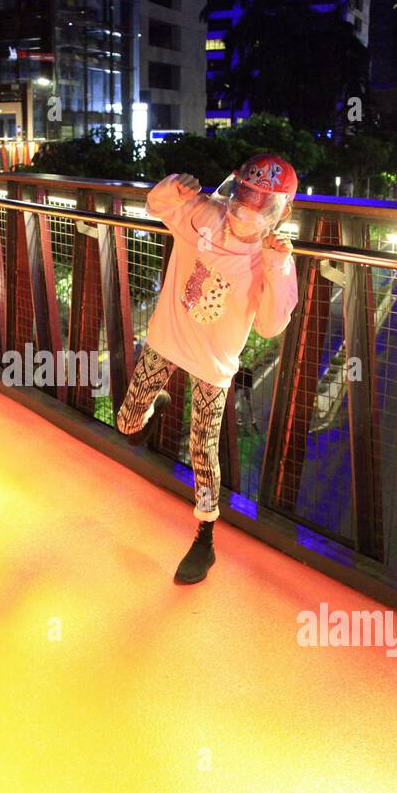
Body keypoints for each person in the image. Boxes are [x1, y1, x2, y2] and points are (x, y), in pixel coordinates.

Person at [115, 155, 300, 585]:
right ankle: (151, 406)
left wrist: (276, 266)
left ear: (280, 211)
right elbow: (157, 205)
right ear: (235, 190)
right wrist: (174, 185)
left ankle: (205, 537)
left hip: (214, 365)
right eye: (247, 194)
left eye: (262, 201)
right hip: (167, 339)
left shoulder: (272, 256)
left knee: (203, 450)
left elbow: (273, 326)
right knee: (126, 424)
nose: (249, 208)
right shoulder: (203, 217)